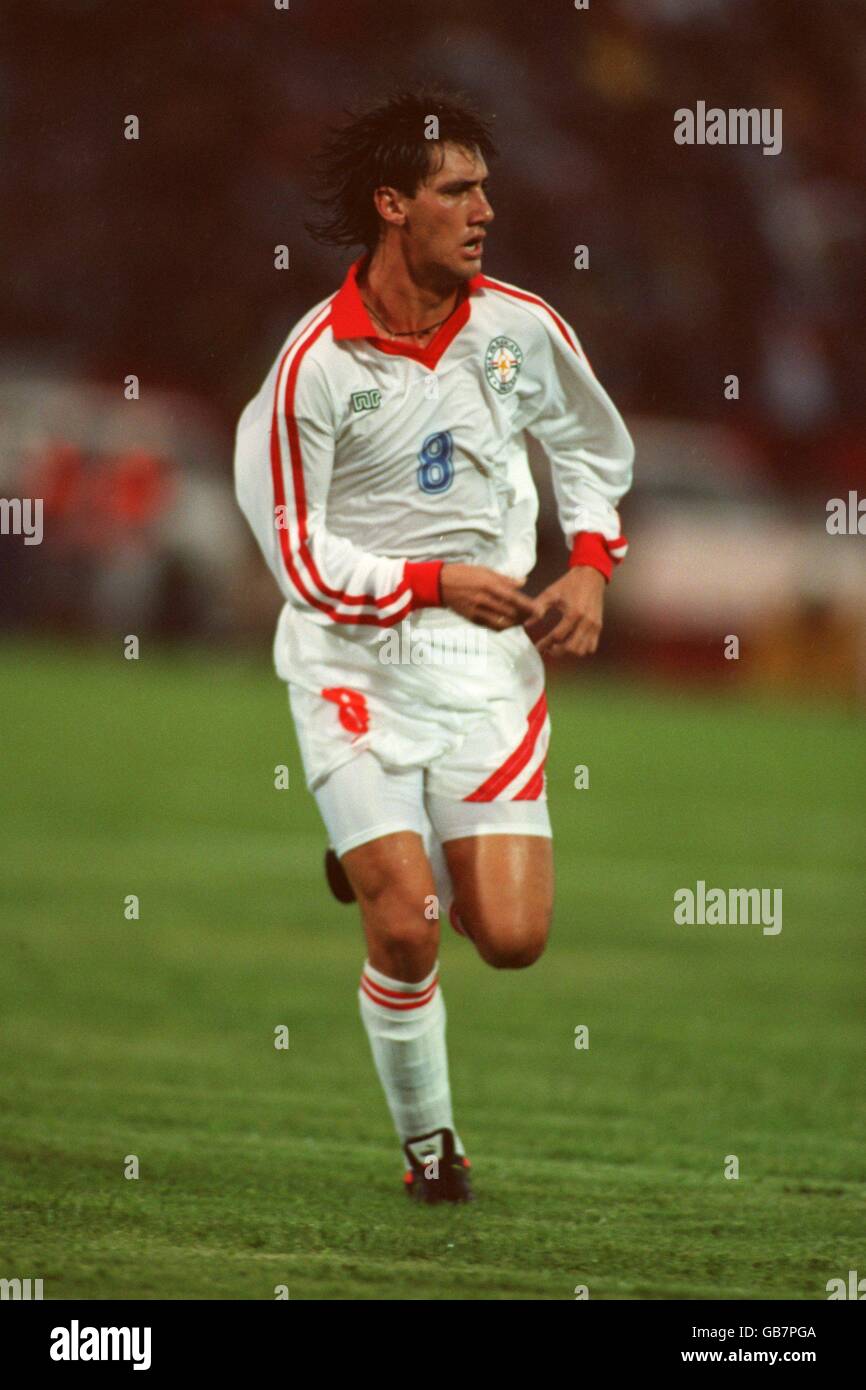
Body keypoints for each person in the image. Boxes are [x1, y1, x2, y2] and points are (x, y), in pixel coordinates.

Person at [234, 88, 633, 1203]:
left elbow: (591, 447)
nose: (483, 211)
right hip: (350, 660)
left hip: (481, 670)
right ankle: (430, 1151)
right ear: (390, 204)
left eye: (484, 189)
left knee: (509, 936)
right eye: (457, 190)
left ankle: (372, 847)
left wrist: (591, 564)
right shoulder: (312, 366)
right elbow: (298, 560)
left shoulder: (516, 331)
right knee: (410, 929)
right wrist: (429, 579)